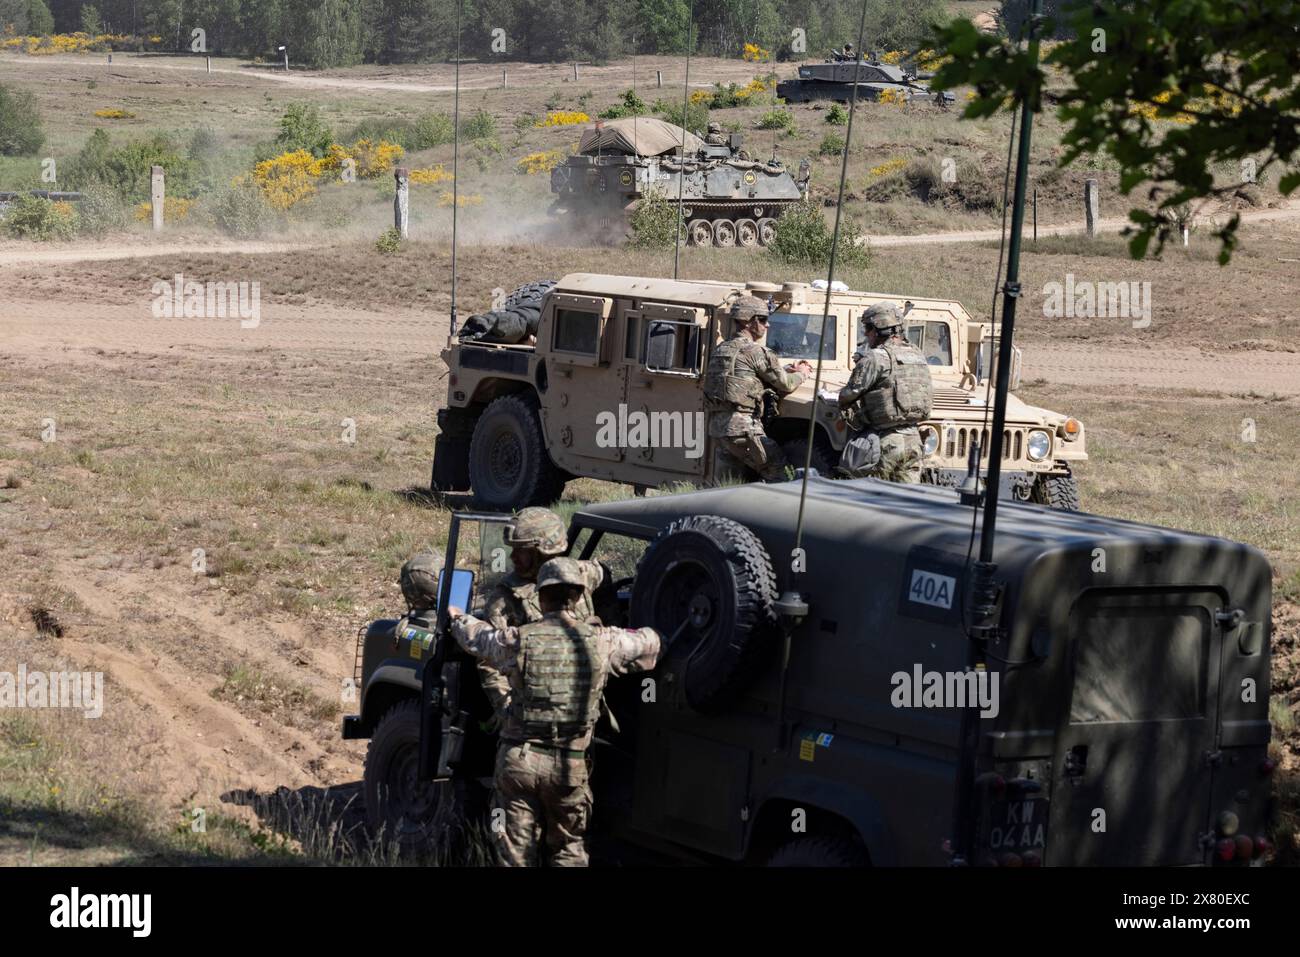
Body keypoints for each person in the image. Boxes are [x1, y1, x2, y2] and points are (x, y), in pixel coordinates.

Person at [447, 558, 665, 866]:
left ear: (540, 596)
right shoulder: (604, 641)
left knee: (514, 855)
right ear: (577, 596)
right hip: (569, 767)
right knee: (569, 849)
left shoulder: (519, 639)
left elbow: (479, 639)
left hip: (517, 765)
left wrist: (458, 618)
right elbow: (651, 643)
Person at [477, 508, 616, 723]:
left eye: (521, 550)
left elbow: (603, 578)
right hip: (538, 705)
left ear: (544, 551)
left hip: (586, 701)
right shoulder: (505, 598)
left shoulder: (583, 573)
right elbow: (490, 660)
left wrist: (609, 623)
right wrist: (508, 710)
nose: (513, 556)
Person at [704, 296, 813, 483]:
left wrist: (784, 368)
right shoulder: (755, 351)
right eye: (762, 320)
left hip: (719, 429)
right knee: (782, 474)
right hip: (744, 429)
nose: (767, 325)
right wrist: (802, 373)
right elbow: (786, 384)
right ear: (748, 321)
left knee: (729, 484)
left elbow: (744, 373)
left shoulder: (722, 349)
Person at [837, 303, 933, 483]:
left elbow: (848, 394)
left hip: (885, 442)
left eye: (868, 328)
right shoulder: (918, 355)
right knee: (906, 500)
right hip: (913, 440)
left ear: (879, 329)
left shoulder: (875, 357)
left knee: (875, 498)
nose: (865, 333)